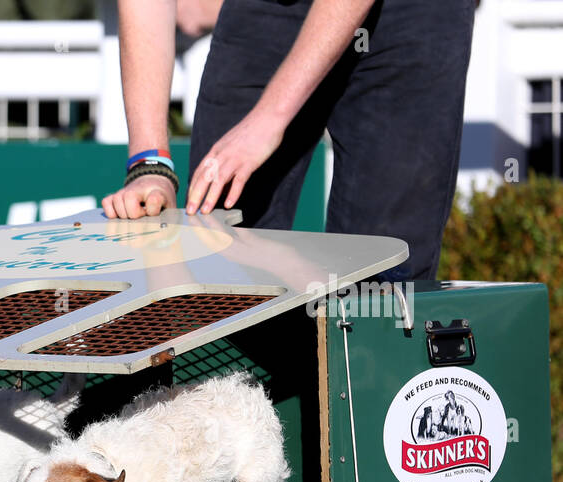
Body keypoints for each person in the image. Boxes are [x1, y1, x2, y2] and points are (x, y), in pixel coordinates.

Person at [101, 0, 478, 281]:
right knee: (221, 247)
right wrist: (150, 164)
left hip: (411, 13)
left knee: (384, 266)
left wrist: (268, 119)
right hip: (267, 9)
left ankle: (368, 376)